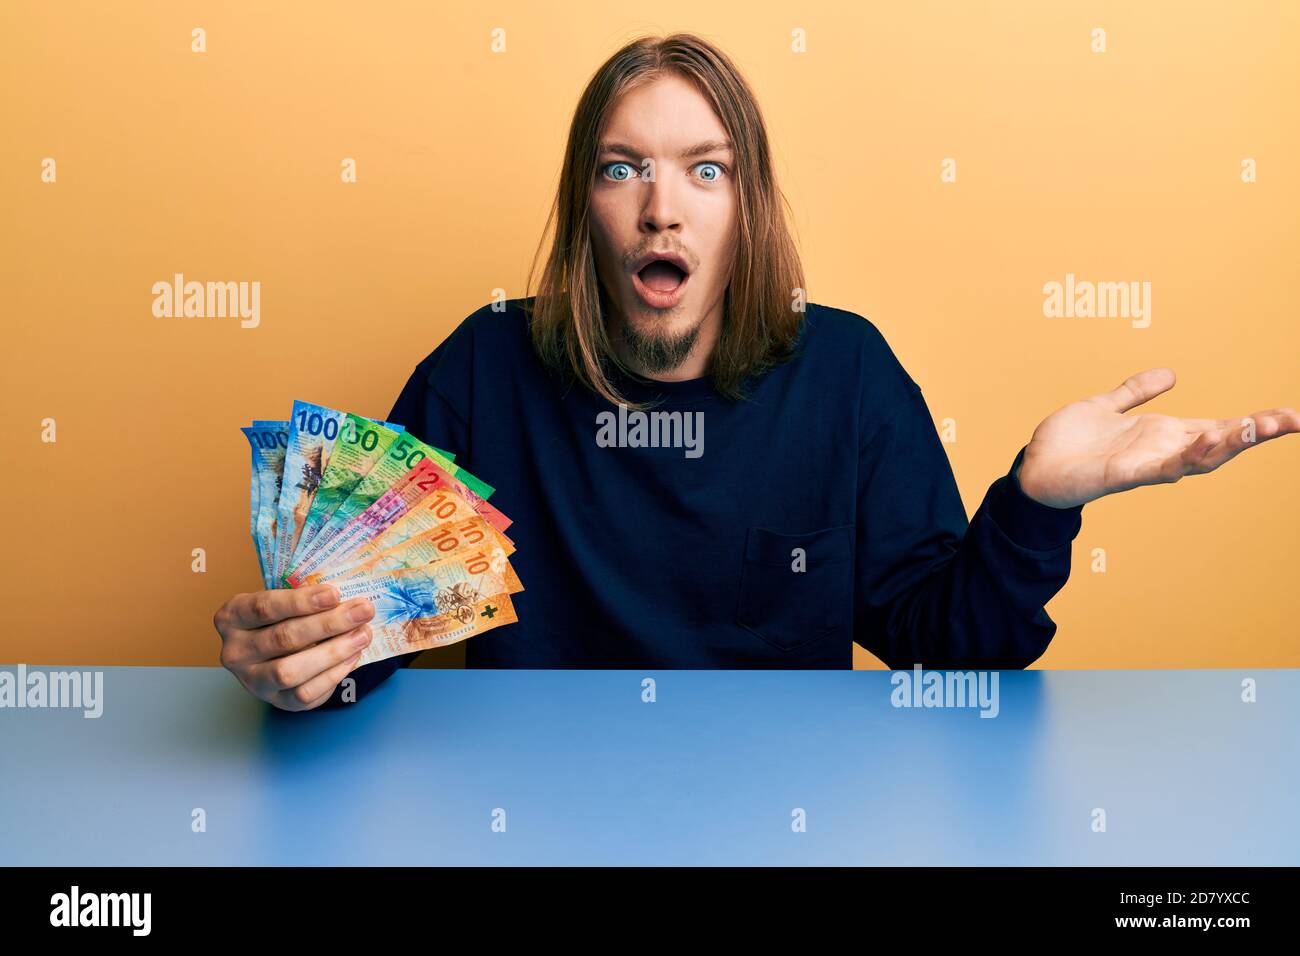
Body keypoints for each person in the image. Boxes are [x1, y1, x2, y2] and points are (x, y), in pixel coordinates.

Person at [213, 33, 1298, 711]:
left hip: (789, 831)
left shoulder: (849, 374)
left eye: (705, 169)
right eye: (622, 166)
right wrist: (300, 662)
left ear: (746, 206)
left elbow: (953, 647)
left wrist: (1033, 504)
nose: (661, 204)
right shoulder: (483, 367)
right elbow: (361, 632)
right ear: (586, 207)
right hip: (536, 825)